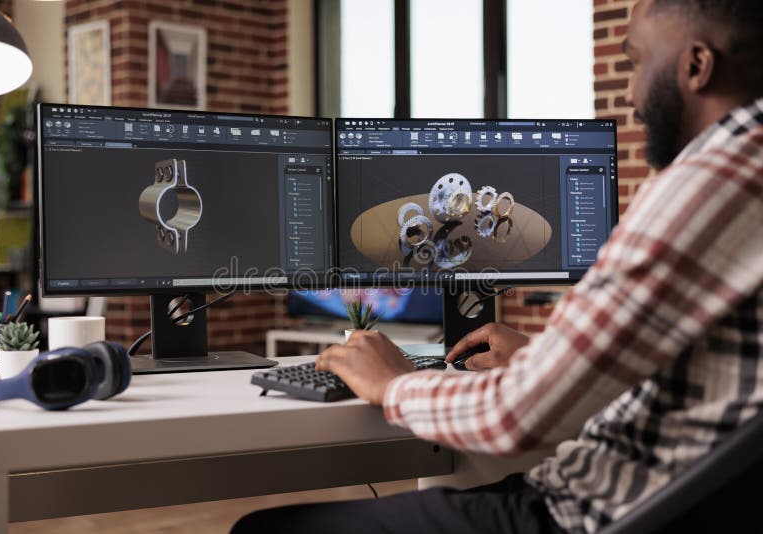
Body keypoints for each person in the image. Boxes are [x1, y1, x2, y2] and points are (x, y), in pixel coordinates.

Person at [232, 0, 763, 532]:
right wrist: (543, 360)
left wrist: (393, 383)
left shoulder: (708, 185)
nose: (630, 92)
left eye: (638, 61)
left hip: (589, 512)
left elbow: (514, 416)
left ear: (696, 65)